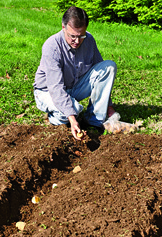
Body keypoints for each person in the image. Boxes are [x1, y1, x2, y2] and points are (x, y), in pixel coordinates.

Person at [33, 6, 117, 140]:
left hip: (74, 87)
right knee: (72, 111)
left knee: (108, 67)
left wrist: (110, 109)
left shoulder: (89, 40)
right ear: (63, 27)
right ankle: (57, 116)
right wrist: (72, 119)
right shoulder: (52, 46)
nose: (77, 41)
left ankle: (94, 121)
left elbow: (101, 74)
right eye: (72, 36)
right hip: (47, 91)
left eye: (81, 36)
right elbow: (55, 87)